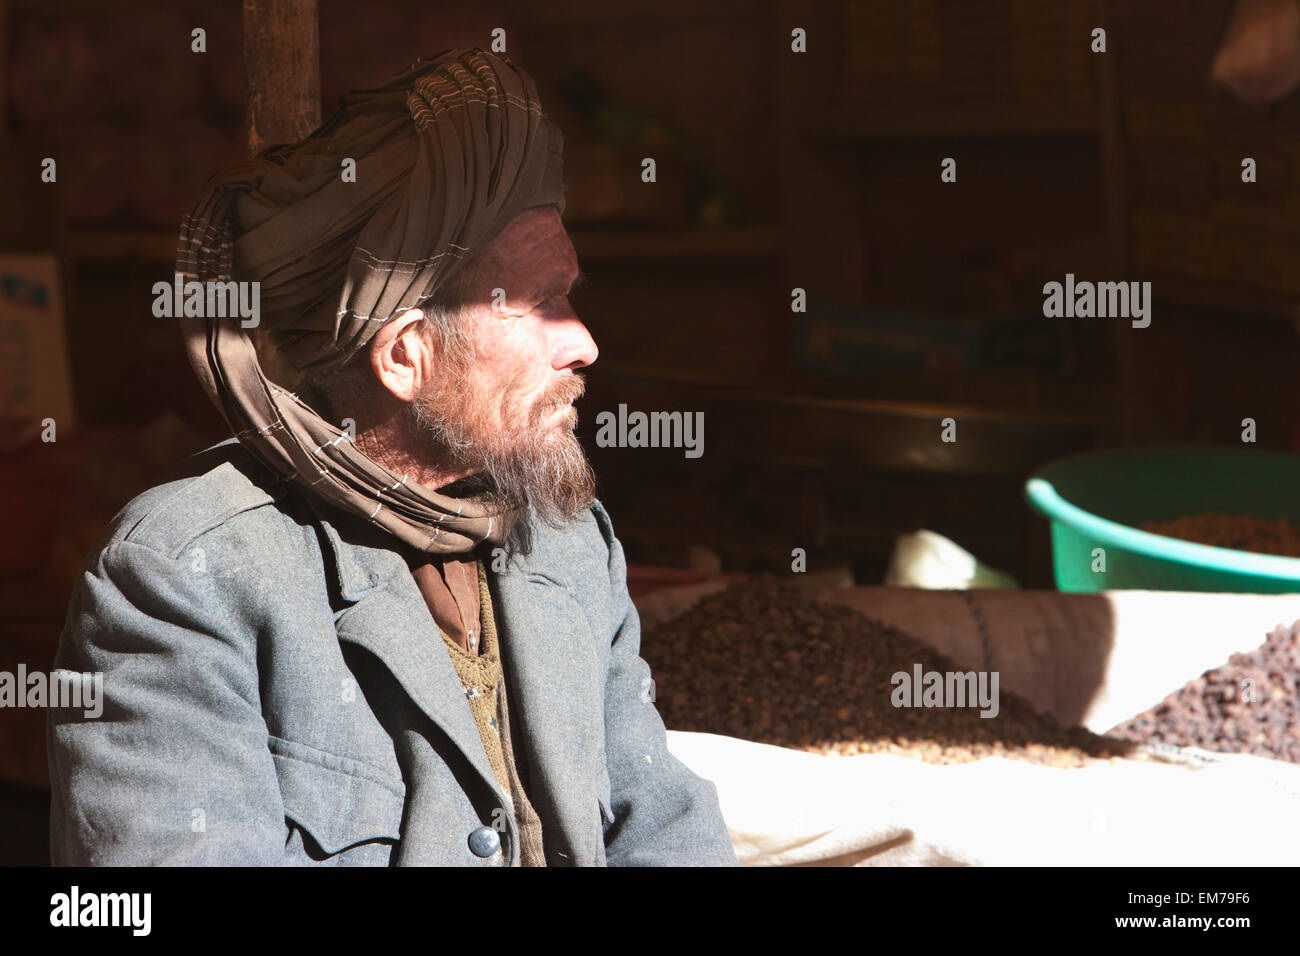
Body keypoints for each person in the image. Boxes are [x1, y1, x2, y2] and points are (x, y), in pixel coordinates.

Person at [47, 48, 737, 867]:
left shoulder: (567, 544)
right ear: (405, 355)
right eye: (540, 304)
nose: (583, 340)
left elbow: (662, 825)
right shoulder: (185, 576)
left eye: (571, 296)